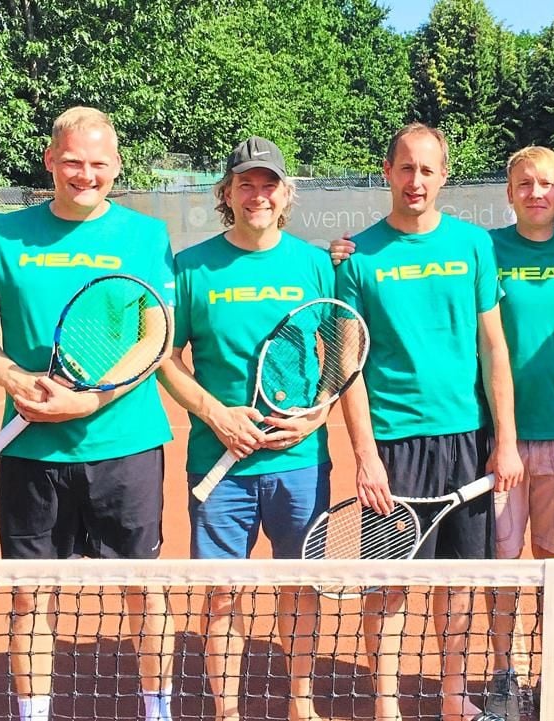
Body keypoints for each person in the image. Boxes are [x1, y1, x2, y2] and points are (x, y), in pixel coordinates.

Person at [0, 106, 175, 721]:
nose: (86, 174)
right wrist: (16, 378)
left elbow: (154, 334)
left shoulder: (144, 235)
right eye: (73, 161)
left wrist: (90, 398)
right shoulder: (2, 235)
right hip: (31, 454)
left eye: (99, 164)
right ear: (51, 161)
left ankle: (154, 710)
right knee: (31, 599)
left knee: (144, 593)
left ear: (117, 167)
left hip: (127, 447)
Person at [335, 122, 524, 721]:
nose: (416, 181)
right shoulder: (356, 257)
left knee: (461, 581)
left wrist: (507, 440)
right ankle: (387, 706)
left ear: (444, 176)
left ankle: (451, 699)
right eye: (406, 168)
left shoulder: (472, 245)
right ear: (387, 172)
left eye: (428, 170)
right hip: (394, 444)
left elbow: (494, 347)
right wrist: (365, 453)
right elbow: (347, 363)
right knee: (387, 586)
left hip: (467, 439)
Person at [156, 137, 332, 721]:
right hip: (217, 464)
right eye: (246, 184)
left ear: (287, 194)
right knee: (222, 593)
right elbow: (164, 357)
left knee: (299, 588)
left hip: (300, 462)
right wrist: (216, 414)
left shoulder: (314, 263)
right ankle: (227, 712)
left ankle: (300, 703)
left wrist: (318, 415)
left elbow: (340, 352)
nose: (258, 194)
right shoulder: (190, 266)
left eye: (269, 184)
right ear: (226, 193)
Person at [484, 146, 554, 720]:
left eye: (546, 183)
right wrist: (343, 252)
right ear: (509, 192)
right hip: (503, 439)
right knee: (504, 563)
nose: (536, 192)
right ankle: (504, 675)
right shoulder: (485, 250)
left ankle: (551, 677)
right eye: (524, 184)